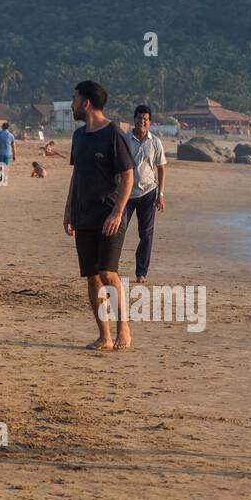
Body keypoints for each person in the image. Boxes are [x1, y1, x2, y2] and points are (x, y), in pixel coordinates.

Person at [63, 80, 134, 350]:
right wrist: (68, 208)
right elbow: (76, 174)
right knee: (92, 275)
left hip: (109, 214)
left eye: (74, 98)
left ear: (86, 103)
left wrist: (117, 212)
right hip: (83, 214)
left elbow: (128, 174)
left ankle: (123, 329)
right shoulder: (79, 136)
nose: (71, 104)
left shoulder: (114, 133)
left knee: (107, 272)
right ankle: (104, 336)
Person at [122, 104, 168, 284]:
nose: (142, 121)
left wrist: (161, 195)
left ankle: (141, 272)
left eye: (145, 119)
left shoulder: (155, 142)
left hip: (149, 192)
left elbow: (161, 169)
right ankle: (110, 267)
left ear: (150, 122)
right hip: (126, 193)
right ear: (134, 119)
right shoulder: (125, 140)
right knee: (118, 230)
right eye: (139, 118)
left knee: (146, 234)